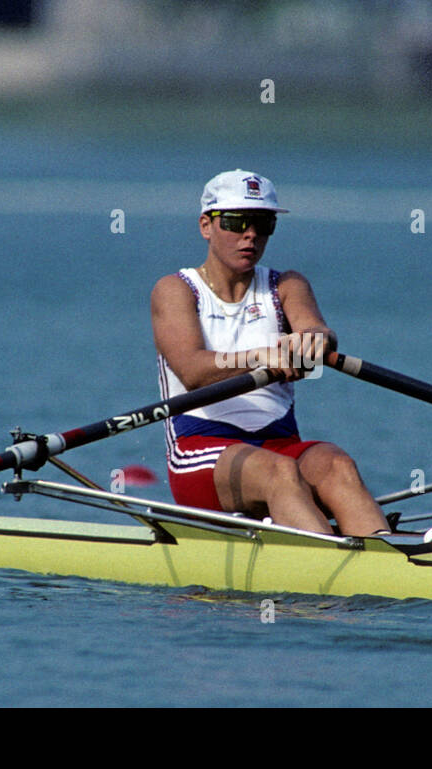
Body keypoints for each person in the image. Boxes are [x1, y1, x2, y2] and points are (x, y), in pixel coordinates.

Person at [151, 169, 390, 538]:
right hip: (200, 449)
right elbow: (192, 371)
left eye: (263, 223)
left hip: (281, 445)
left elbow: (316, 330)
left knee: (338, 465)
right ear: (205, 226)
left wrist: (314, 342)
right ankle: (332, 570)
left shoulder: (286, 285)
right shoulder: (176, 290)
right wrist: (264, 356)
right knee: (278, 472)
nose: (250, 234)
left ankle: (384, 559)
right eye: (237, 221)